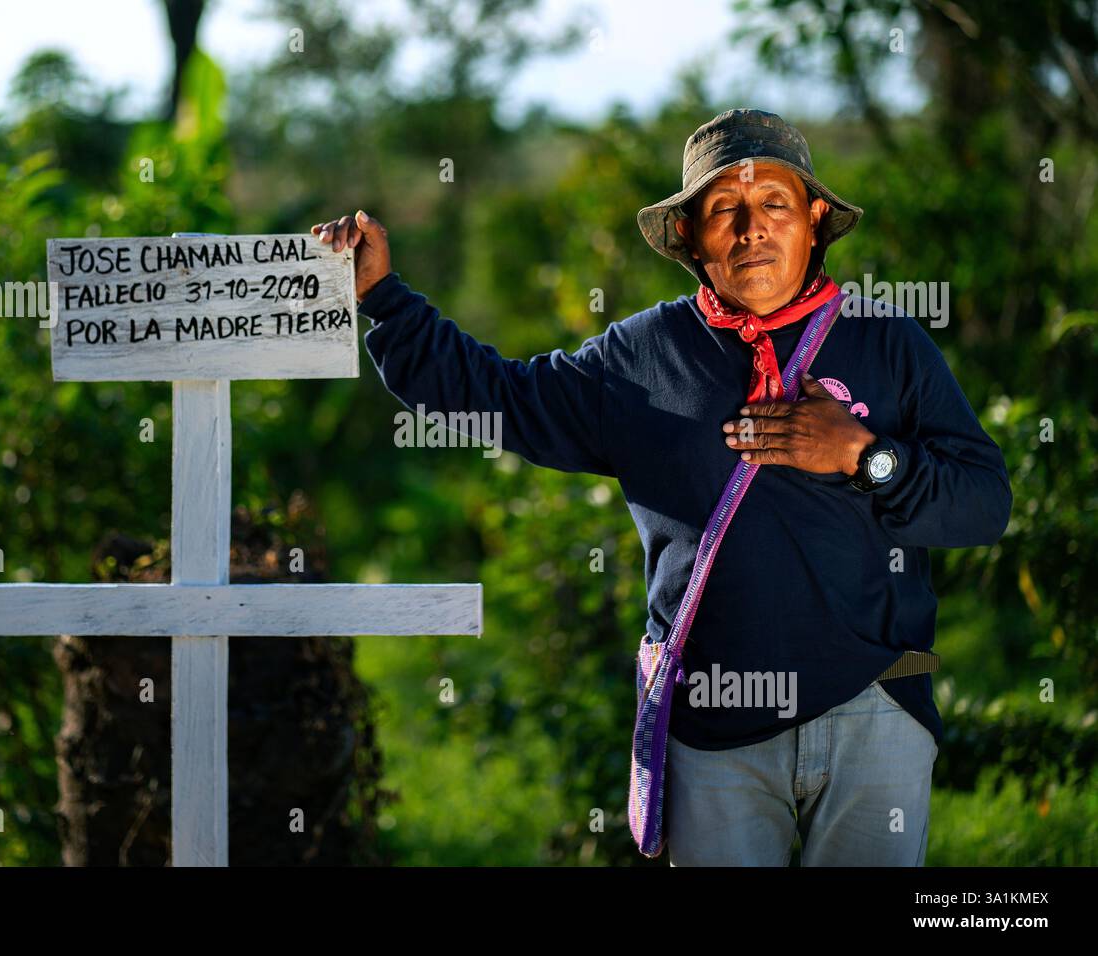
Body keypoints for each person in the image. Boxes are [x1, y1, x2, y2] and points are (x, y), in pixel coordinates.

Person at [311, 108, 1012, 866]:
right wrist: (384, 298)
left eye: (775, 203)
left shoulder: (888, 339)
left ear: (813, 219)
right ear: (689, 237)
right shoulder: (644, 355)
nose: (752, 229)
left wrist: (863, 454)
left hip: (872, 709)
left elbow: (983, 503)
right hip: (712, 733)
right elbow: (500, 397)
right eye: (724, 210)